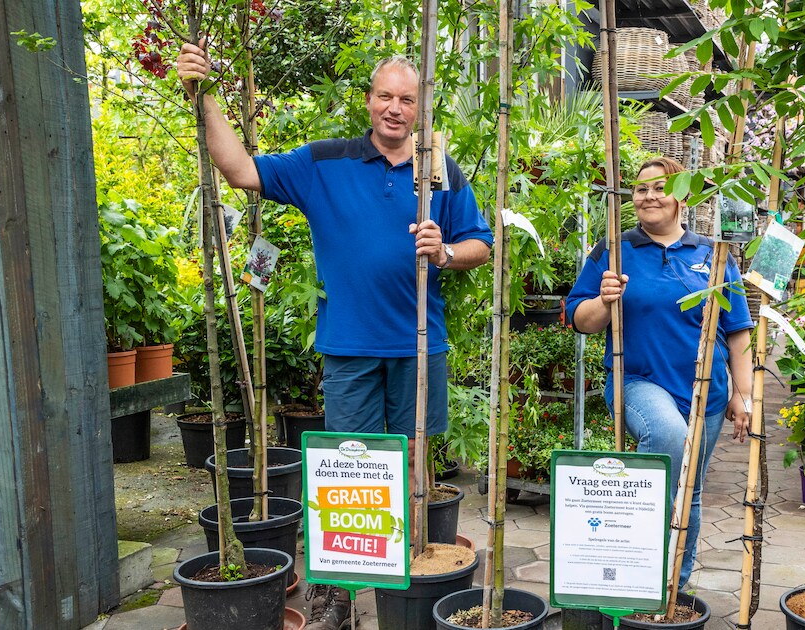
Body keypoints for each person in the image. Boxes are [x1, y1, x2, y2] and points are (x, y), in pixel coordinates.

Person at [177, 43, 492, 630]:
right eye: (385, 97)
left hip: (420, 346)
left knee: (416, 465)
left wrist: (446, 252)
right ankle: (338, 593)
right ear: (368, 101)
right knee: (350, 473)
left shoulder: (441, 172)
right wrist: (204, 96)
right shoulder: (323, 163)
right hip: (349, 345)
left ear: (420, 109)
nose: (395, 108)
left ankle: (408, 577)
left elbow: (480, 241)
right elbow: (241, 169)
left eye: (407, 99)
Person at [565, 157, 755, 589]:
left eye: (660, 187)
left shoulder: (713, 254)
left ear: (682, 196)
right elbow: (578, 317)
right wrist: (605, 300)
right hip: (638, 381)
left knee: (691, 490)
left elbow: (739, 333)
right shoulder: (615, 249)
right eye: (640, 188)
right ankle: (641, 573)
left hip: (707, 393)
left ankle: (674, 586)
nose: (649, 196)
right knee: (668, 437)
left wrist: (743, 396)